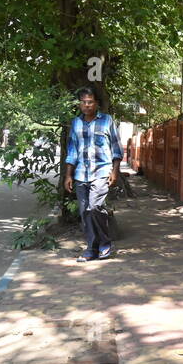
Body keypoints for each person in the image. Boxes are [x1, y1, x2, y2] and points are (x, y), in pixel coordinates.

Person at [63, 86, 122, 262]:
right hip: (81, 173)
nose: (87, 105)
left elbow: (116, 147)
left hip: (101, 171)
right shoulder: (76, 123)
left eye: (90, 102)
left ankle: (104, 243)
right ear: (79, 104)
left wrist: (115, 171)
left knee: (95, 207)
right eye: (83, 102)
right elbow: (72, 150)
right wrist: (68, 175)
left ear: (96, 103)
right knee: (85, 212)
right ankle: (91, 248)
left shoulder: (107, 120)